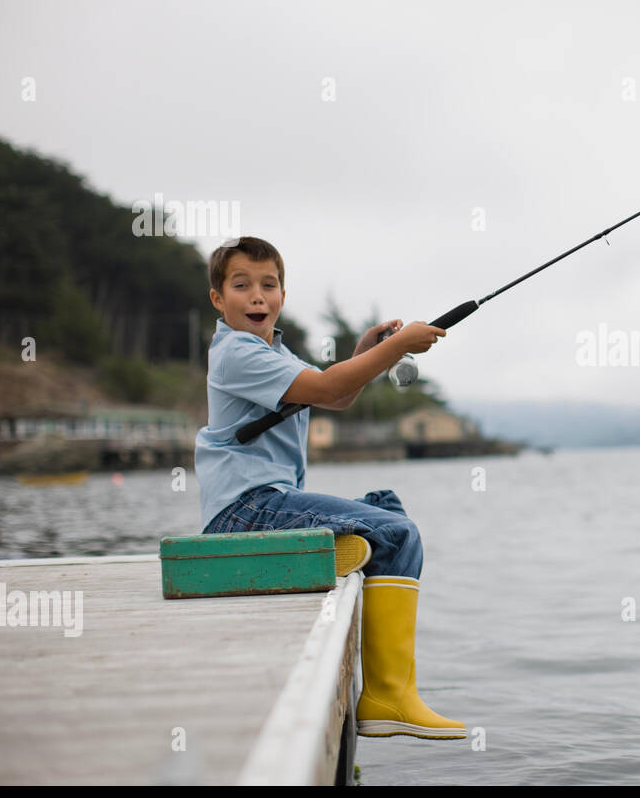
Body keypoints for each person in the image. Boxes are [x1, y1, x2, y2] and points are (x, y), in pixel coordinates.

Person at [194, 236, 463, 740]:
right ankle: (387, 697)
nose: (257, 296)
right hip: (245, 510)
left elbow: (333, 396)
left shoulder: (270, 350)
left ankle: (341, 555)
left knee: (385, 508)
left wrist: (367, 353)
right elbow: (328, 388)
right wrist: (397, 347)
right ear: (217, 298)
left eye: (268, 285)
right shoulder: (235, 354)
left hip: (263, 505)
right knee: (398, 534)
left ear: (282, 294)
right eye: (241, 285)